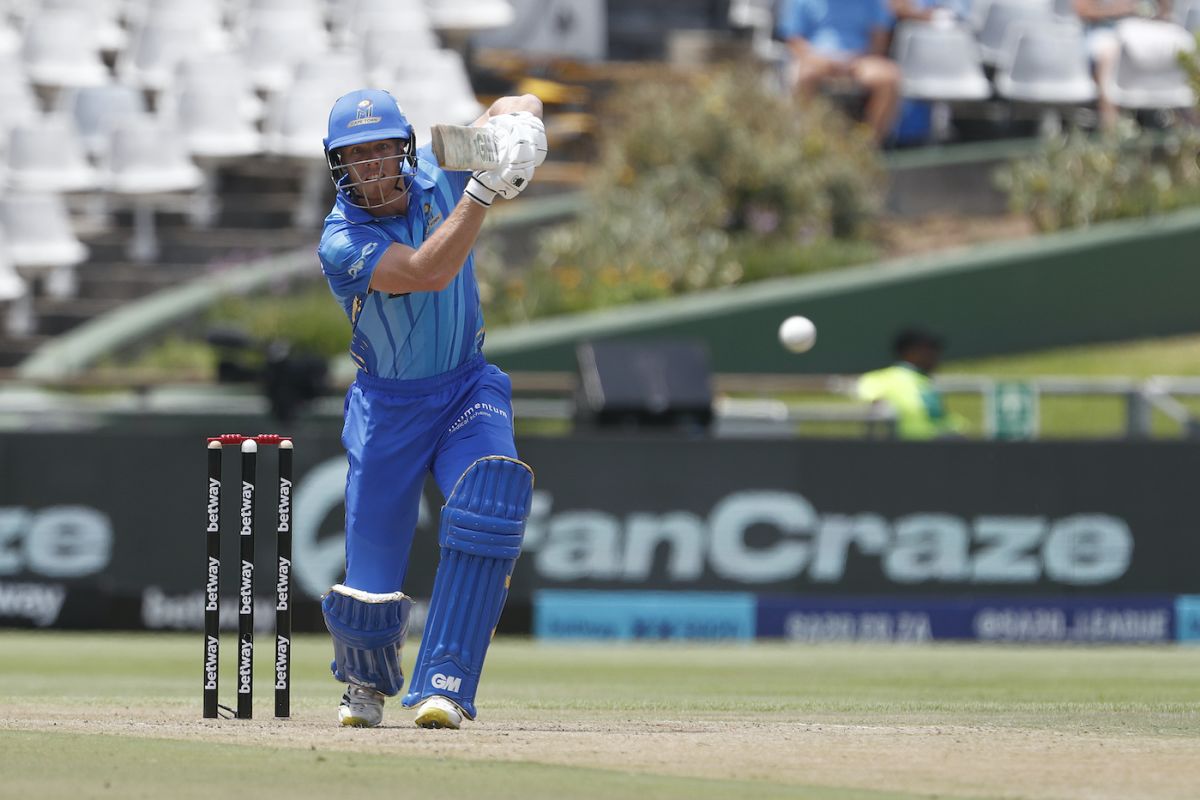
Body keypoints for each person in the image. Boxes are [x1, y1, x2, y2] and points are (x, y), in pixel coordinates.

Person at [316, 87, 546, 730]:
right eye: (354, 156)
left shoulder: (444, 158)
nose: (371, 167)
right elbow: (425, 270)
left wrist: (523, 128)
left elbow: (512, 103)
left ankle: (445, 682)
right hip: (388, 409)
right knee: (371, 583)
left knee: (489, 498)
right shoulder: (342, 241)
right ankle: (363, 683)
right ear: (338, 164)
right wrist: (482, 193)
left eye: (382, 150)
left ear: (403, 148)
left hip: (467, 388)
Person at [776, 0, 902, 143]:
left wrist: (855, 61)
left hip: (859, 61)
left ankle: (867, 145)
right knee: (806, 75)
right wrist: (819, 59)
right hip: (817, 60)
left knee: (890, 78)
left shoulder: (874, 2)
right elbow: (793, 39)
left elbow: (879, 38)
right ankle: (805, 138)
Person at [1074, 0, 1174, 129]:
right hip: (1104, 33)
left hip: (1143, 31)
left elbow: (1164, 9)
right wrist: (1121, 9)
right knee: (1107, 55)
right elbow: (1082, 10)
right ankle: (1111, 133)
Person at [856, 327, 965, 439]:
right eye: (928, 349)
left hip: (939, 447)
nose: (934, 355)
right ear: (909, 352)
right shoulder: (882, 378)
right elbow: (865, 399)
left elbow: (942, 421)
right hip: (904, 449)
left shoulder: (926, 382)